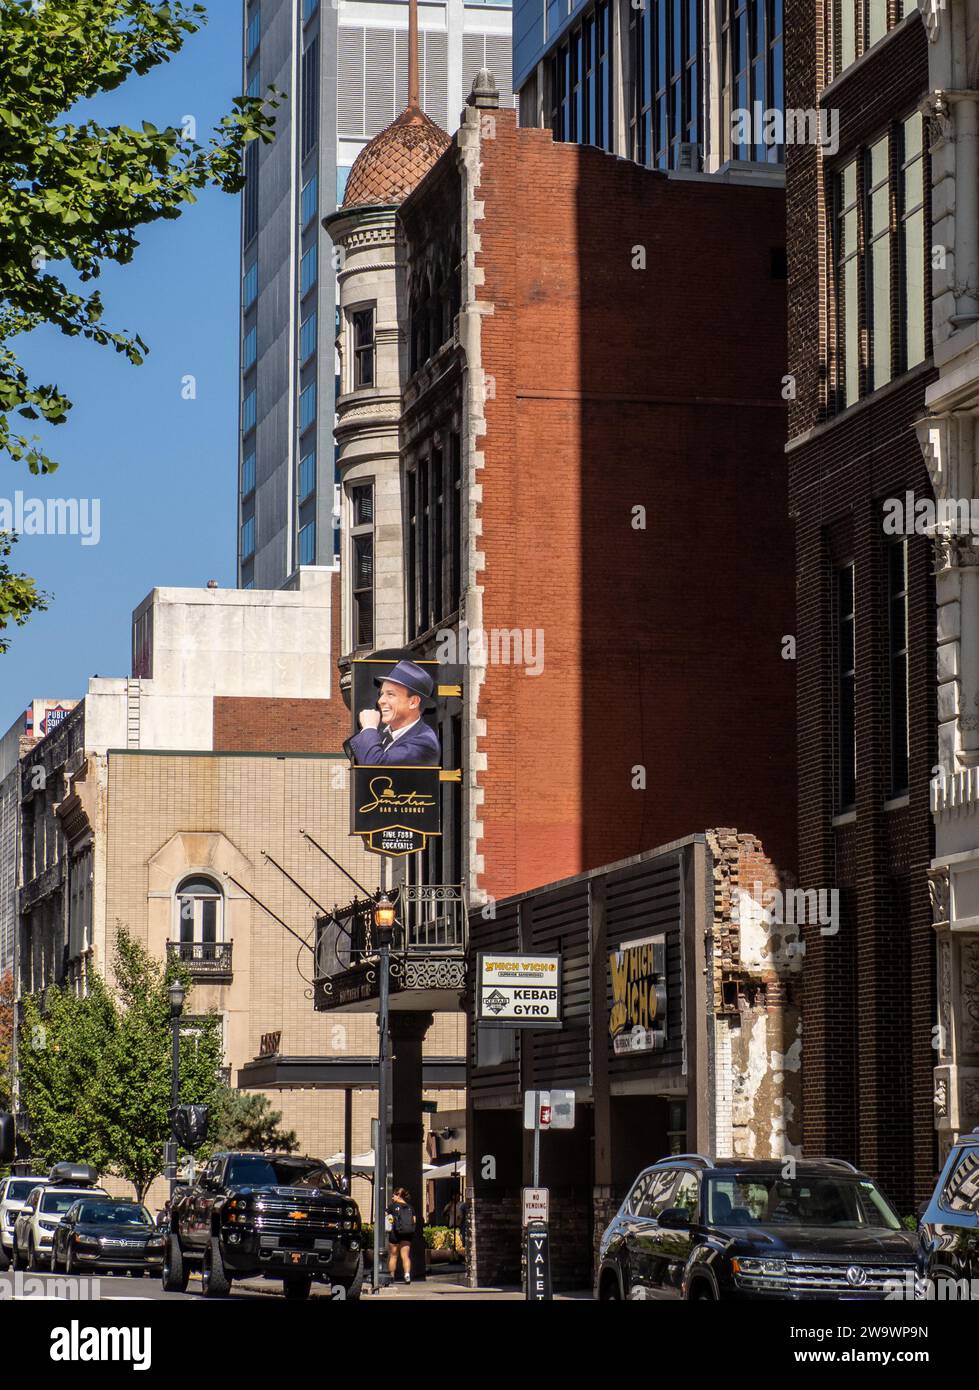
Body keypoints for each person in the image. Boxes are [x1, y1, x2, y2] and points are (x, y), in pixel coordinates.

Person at [346, 660, 441, 767]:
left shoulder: (424, 742)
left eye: (390, 694)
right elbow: (351, 750)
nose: (380, 701)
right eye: (381, 694)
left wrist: (369, 727)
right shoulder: (384, 734)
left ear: (413, 702)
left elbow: (373, 767)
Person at [386, 1187, 417, 1284]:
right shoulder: (410, 1207)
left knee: (393, 1256)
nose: (392, 1197)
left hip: (395, 1233)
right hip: (407, 1233)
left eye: (394, 1195)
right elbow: (414, 1221)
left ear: (398, 1195)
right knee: (405, 1256)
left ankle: (391, 1276)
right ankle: (407, 1275)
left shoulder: (392, 1206)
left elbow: (384, 1216)